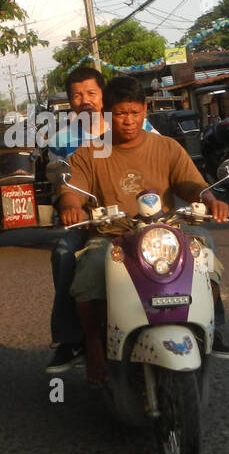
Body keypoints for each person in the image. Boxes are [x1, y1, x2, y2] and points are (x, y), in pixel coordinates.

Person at [57, 76, 229, 388]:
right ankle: (93, 344)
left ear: (145, 110)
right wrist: (72, 205)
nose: (128, 121)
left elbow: (191, 183)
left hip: (165, 232)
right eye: (121, 114)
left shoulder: (167, 147)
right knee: (90, 272)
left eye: (135, 112)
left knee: (206, 250)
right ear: (108, 114)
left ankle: (212, 326)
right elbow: (74, 189)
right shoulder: (90, 152)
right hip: (112, 235)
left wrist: (209, 199)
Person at [44, 66, 163, 375]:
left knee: (196, 248)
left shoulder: (139, 125)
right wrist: (71, 207)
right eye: (77, 95)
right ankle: (72, 339)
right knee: (63, 254)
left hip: (142, 217)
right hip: (92, 222)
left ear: (104, 96)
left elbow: (167, 160)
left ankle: (210, 326)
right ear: (70, 101)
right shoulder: (62, 140)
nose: (85, 101)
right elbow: (63, 185)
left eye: (91, 93)